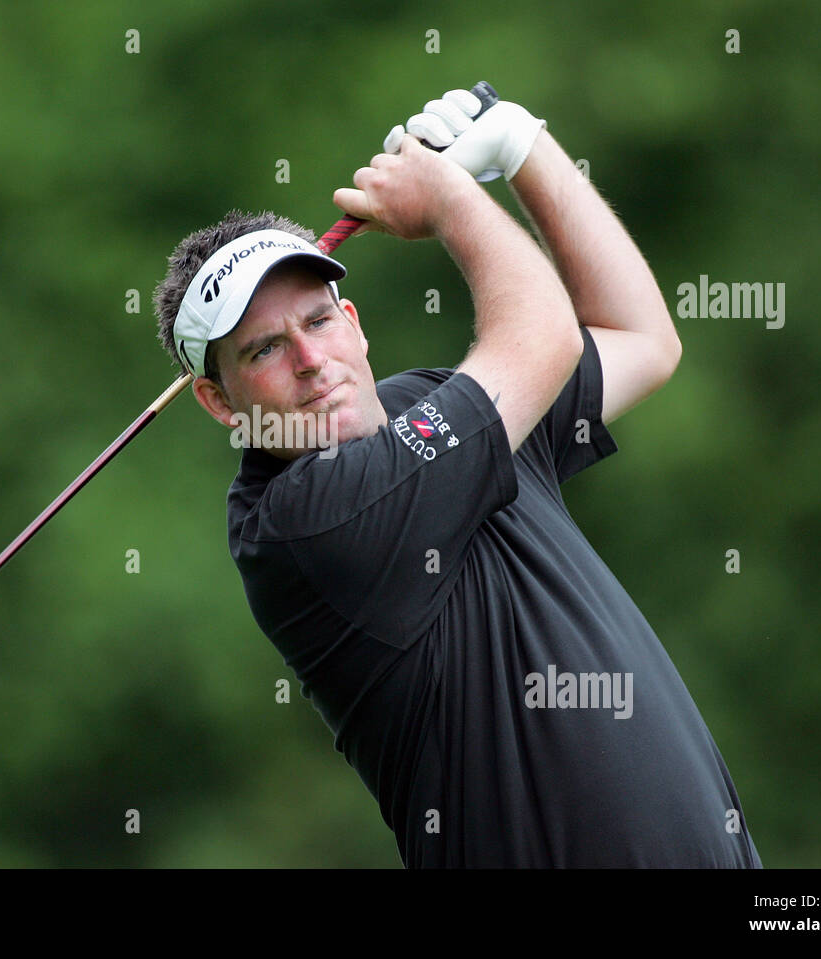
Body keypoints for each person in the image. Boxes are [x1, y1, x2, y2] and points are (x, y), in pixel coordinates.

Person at [151, 90, 762, 867]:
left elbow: (640, 337)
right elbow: (538, 336)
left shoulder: (432, 404)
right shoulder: (302, 524)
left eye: (318, 320)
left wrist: (525, 146)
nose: (310, 361)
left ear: (356, 323)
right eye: (263, 350)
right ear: (216, 401)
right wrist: (451, 201)